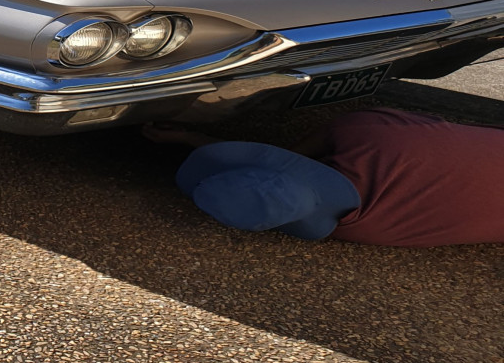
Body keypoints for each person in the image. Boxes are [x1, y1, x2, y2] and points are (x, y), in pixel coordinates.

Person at [147, 108, 504, 247]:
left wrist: (190, 139)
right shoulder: (368, 132)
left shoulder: (361, 229)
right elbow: (290, 155)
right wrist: (193, 139)